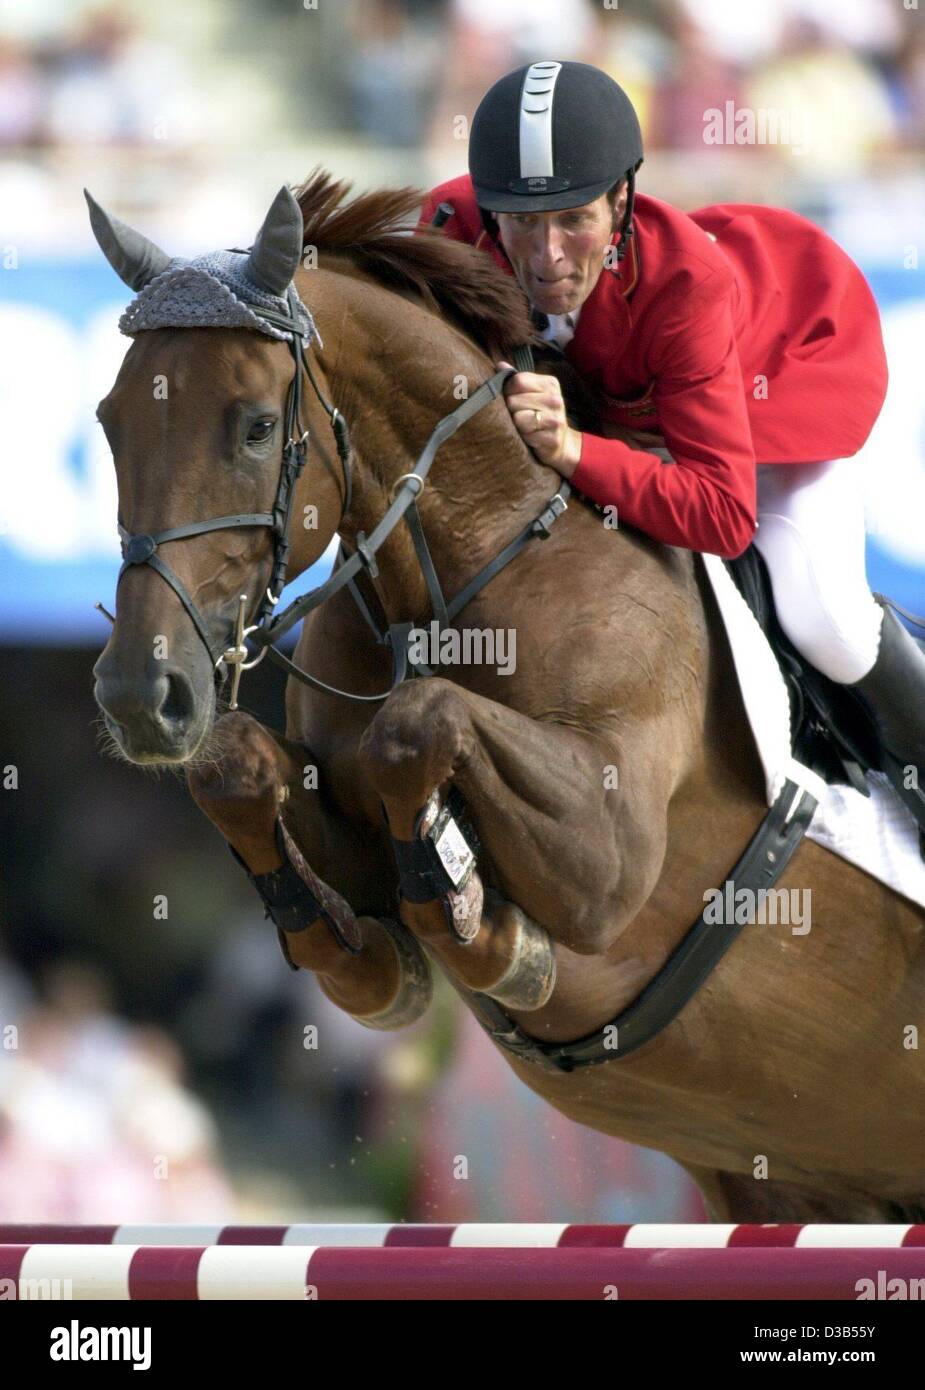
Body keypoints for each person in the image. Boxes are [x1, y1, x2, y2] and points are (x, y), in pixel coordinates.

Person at [416, 59, 925, 841]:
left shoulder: (685, 286)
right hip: (642, 419)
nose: (547, 256)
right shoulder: (453, 230)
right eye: (523, 223)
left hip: (780, 373)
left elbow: (722, 515)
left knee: (824, 616)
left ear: (622, 201)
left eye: (573, 220)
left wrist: (576, 450)